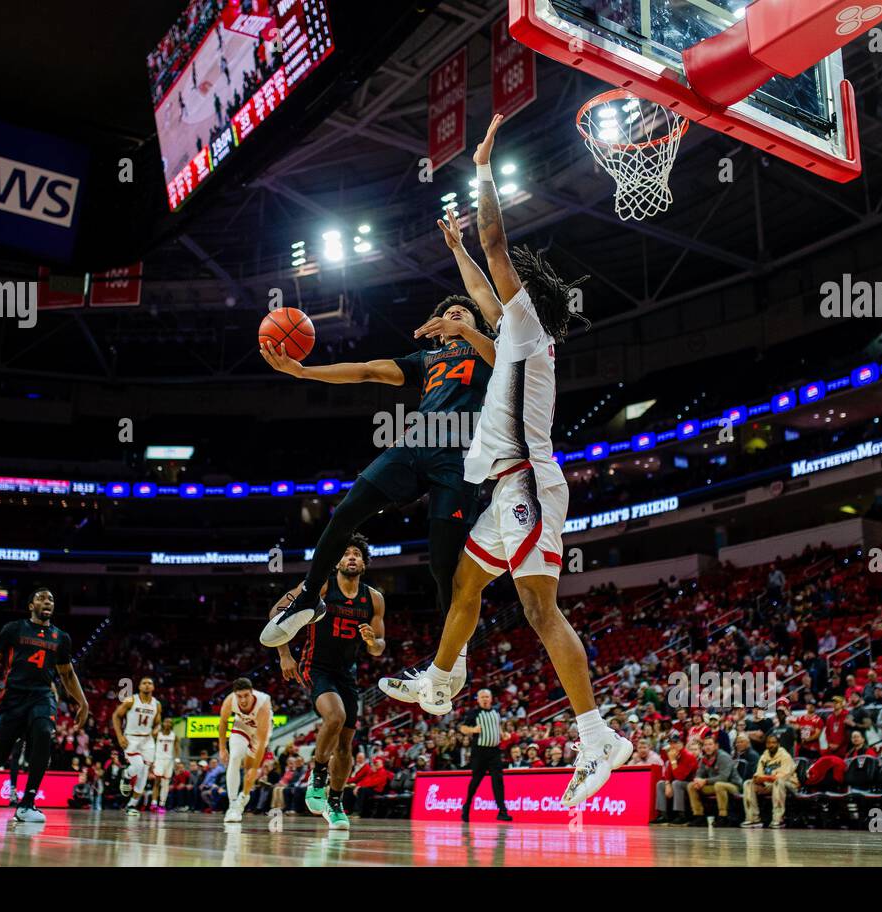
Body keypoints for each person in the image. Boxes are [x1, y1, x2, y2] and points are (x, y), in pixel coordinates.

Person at [388, 114, 631, 809]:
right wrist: (458, 248)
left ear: (528, 294)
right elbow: (481, 294)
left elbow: (498, 252)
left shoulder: (526, 329)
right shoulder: (518, 331)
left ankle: (595, 738)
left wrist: (484, 171)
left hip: (528, 481)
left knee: (536, 607)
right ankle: (439, 678)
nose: (499, 282)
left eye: (506, 281)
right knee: (467, 584)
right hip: (508, 490)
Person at [260, 264, 496, 703]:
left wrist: (466, 325)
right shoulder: (426, 359)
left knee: (443, 565)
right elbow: (367, 370)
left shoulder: (490, 351)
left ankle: (451, 660)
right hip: (415, 446)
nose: (458, 318)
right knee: (347, 511)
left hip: (461, 458)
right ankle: (310, 597)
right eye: (451, 316)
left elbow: (503, 358)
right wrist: (304, 372)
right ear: (439, 333)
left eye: (466, 314)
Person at [275, 535, 386, 830]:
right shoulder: (322, 586)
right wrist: (285, 655)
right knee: (334, 717)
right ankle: (318, 775)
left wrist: (372, 641)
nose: (351, 557)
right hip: (316, 666)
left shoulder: (374, 598)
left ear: (364, 563)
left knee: (346, 746)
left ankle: (335, 802)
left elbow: (379, 648)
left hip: (346, 672)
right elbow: (277, 612)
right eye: (346, 553)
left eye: (357, 554)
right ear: (337, 561)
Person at [0, 588, 89, 823]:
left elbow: (67, 675)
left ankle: (27, 803)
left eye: (51, 598)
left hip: (42, 696)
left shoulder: (61, 638)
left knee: (42, 734)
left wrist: (82, 702)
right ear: (31, 605)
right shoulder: (13, 629)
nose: (47, 601)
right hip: (12, 698)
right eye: (41, 598)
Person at [217, 678, 272, 823]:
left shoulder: (263, 704)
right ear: (235, 694)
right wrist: (222, 748)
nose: (243, 700)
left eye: (246, 695)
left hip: (260, 732)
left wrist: (255, 767)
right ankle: (232, 804)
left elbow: (261, 740)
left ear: (252, 692)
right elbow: (223, 723)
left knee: (250, 770)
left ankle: (244, 796)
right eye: (239, 696)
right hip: (242, 725)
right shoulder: (230, 700)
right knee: (234, 758)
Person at [458, 688, 511, 823]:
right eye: (482, 697)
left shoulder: (496, 712)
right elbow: (462, 728)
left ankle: (502, 811)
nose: (485, 699)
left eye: (487, 697)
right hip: (479, 752)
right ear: (478, 699)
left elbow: (497, 726)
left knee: (498, 780)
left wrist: (502, 734)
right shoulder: (473, 713)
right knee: (476, 781)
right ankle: (467, 807)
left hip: (494, 751)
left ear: (491, 698)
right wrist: (472, 729)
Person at [112, 677, 162, 816]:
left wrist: (156, 729)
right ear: (139, 687)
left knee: (144, 775)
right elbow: (116, 716)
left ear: (153, 687)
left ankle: (131, 805)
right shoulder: (131, 700)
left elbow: (158, 722)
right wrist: (120, 736)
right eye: (144, 683)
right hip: (131, 738)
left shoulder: (156, 704)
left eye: (150, 683)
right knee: (138, 766)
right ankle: (126, 774)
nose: (147, 685)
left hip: (147, 740)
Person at [740, 733, 798, 829]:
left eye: (773, 743)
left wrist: (764, 778)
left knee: (778, 782)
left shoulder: (785, 756)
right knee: (748, 783)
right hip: (770, 784)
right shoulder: (764, 757)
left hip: (789, 785)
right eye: (768, 743)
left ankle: (778, 819)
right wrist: (757, 779)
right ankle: (753, 819)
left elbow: (783, 776)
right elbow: (758, 774)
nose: (770, 745)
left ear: (778, 744)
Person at [687, 735, 742, 826]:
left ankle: (723, 817)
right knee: (691, 786)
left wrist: (704, 781)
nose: (707, 747)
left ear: (716, 746)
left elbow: (723, 778)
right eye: (705, 745)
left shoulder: (723, 757)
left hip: (733, 785)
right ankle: (699, 816)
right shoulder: (704, 758)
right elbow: (699, 773)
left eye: (710, 744)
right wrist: (697, 781)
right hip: (715, 785)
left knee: (719, 785)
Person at [656, 735, 697, 825]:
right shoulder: (674, 755)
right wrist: (667, 784)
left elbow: (680, 777)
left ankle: (681, 815)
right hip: (678, 782)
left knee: (676, 783)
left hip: (691, 784)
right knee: (660, 784)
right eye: (670, 743)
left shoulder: (688, 756)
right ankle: (663, 815)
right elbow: (667, 774)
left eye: (675, 743)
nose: (672, 745)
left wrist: (673, 760)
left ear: (682, 744)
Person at [153, 718, 177, 814]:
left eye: (170, 722)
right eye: (166, 721)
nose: (168, 723)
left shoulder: (174, 736)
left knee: (166, 783)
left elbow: (176, 749)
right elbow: (151, 736)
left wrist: (176, 761)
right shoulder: (158, 734)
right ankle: (154, 803)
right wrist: (157, 726)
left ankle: (162, 804)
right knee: (157, 781)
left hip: (169, 761)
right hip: (159, 759)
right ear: (163, 723)